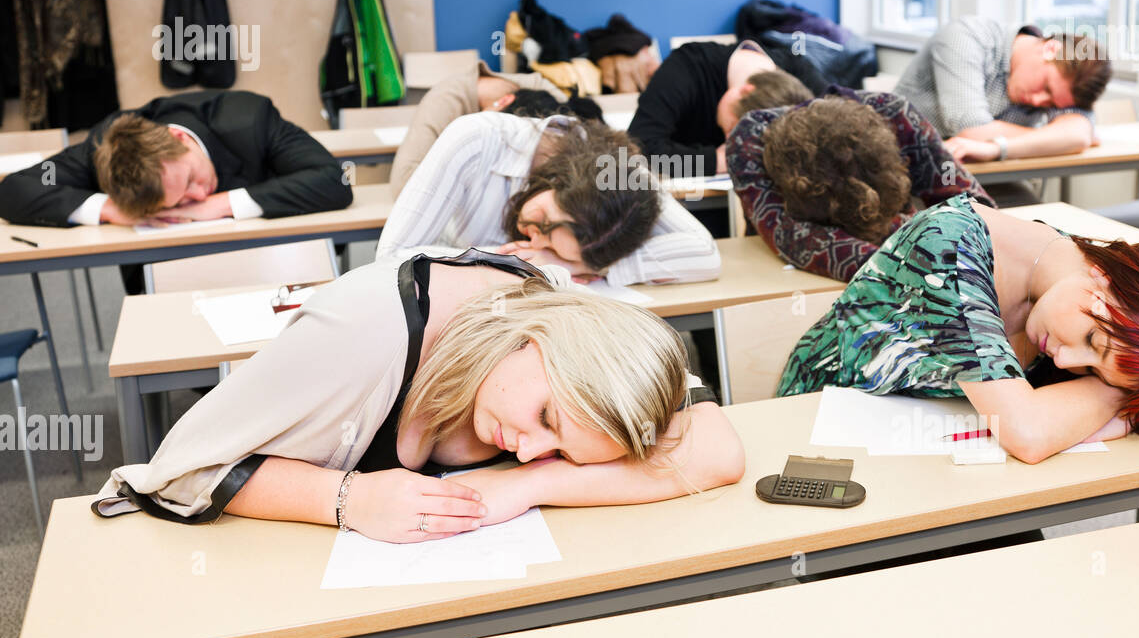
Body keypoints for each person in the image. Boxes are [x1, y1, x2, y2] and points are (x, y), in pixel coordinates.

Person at [92, 249, 746, 541]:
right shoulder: (367, 333)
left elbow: (716, 450)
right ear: (540, 337)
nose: (530, 449)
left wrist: (532, 486)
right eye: (547, 417)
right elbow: (178, 466)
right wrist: (346, 498)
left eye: (561, 452)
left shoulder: (581, 324)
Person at [779, 193, 1139, 463]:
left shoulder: (1097, 294)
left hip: (932, 437)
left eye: (1097, 366)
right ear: (1104, 279)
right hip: (824, 442)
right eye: (1095, 342)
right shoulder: (947, 249)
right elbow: (1026, 433)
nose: (1070, 362)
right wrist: (1134, 398)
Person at [376, 111, 721, 286]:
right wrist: (511, 261)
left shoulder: (623, 176)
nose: (534, 239)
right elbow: (391, 255)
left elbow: (704, 253)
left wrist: (582, 265)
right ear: (557, 176)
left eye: (554, 247)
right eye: (541, 221)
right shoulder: (476, 141)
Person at [726, 87, 993, 281]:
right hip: (783, 282)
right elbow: (795, 238)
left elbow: (979, 213)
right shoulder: (750, 141)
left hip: (901, 258)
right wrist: (920, 239)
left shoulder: (896, 115)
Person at [0, 89, 352, 227]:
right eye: (180, 200)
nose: (195, 196)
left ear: (179, 138)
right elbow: (12, 190)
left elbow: (335, 179)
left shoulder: (248, 119)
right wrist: (111, 209)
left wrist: (220, 204)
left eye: (188, 180)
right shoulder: (106, 151)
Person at [895, 16, 1112, 164]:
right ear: (1051, 49)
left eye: (1051, 104)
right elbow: (971, 130)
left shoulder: (1060, 89)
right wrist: (1050, 137)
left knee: (1043, 226)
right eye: (1046, 87)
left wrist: (997, 147)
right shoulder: (967, 37)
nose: (1038, 101)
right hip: (906, 169)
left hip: (983, 177)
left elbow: (1079, 134)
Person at [628, 39, 827, 179]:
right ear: (745, 92)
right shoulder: (685, 67)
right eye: (732, 130)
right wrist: (719, 161)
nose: (733, 143)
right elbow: (638, 148)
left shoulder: (803, 75)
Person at [389, 61, 572, 194]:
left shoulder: (541, 90)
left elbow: (578, 138)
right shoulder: (444, 100)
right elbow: (404, 183)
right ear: (504, 102)